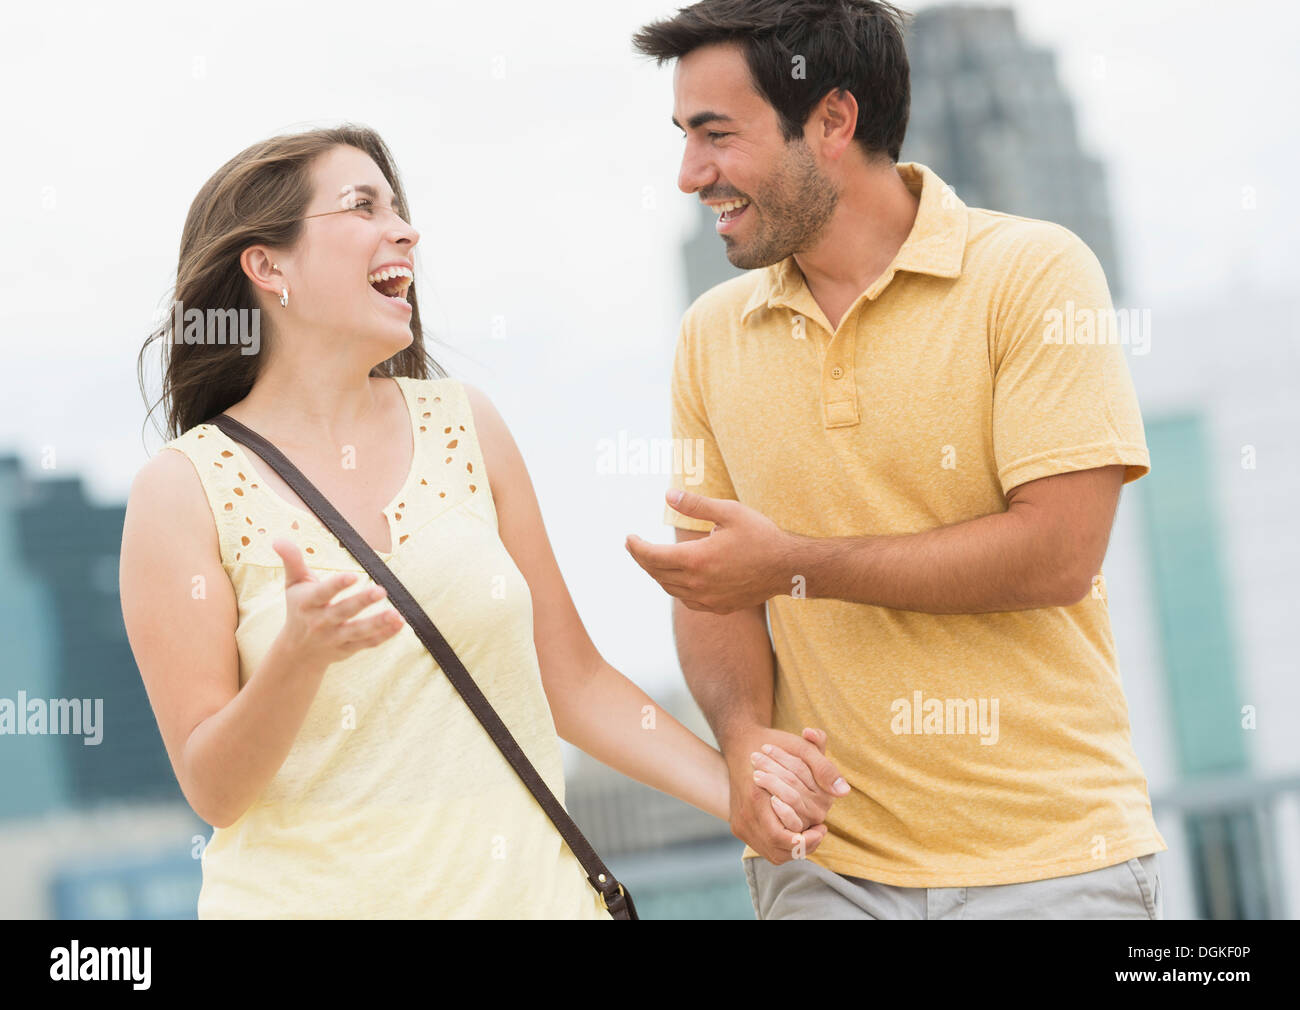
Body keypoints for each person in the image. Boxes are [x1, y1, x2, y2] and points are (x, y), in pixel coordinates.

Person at [119, 124, 845, 918]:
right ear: (267, 266)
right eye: (362, 206)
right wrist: (296, 657)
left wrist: (741, 794)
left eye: (398, 207)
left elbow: (574, 684)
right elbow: (214, 789)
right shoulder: (181, 490)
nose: (404, 229)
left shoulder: (466, 424)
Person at [626, 0, 1167, 919]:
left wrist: (793, 566)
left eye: (717, 135)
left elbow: (1060, 553)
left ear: (832, 120)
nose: (690, 175)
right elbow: (717, 592)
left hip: (1051, 863)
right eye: (684, 136)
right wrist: (745, 739)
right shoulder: (710, 335)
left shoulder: (1034, 275)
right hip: (825, 875)